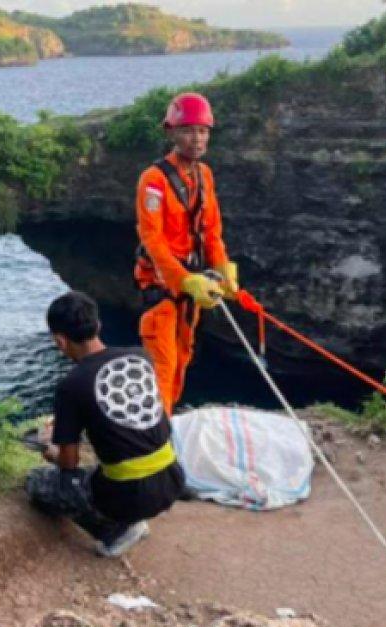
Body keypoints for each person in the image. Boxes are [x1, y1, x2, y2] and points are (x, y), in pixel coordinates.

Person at [26, 291, 186, 558]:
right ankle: (129, 514)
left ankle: (115, 531)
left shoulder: (71, 386)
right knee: (107, 471)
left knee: (40, 483)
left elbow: (69, 463)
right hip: (173, 478)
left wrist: (51, 451)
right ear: (98, 326)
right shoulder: (141, 357)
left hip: (130, 496)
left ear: (59, 341)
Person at [133, 91, 262, 415]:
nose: (197, 138)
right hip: (162, 286)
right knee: (164, 362)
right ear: (172, 133)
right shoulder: (154, 181)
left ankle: (166, 419)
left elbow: (211, 231)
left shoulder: (204, 176)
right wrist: (184, 280)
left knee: (184, 357)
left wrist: (222, 269)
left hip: (192, 284)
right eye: (189, 130)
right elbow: (152, 239)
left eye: (202, 131)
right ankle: (158, 436)